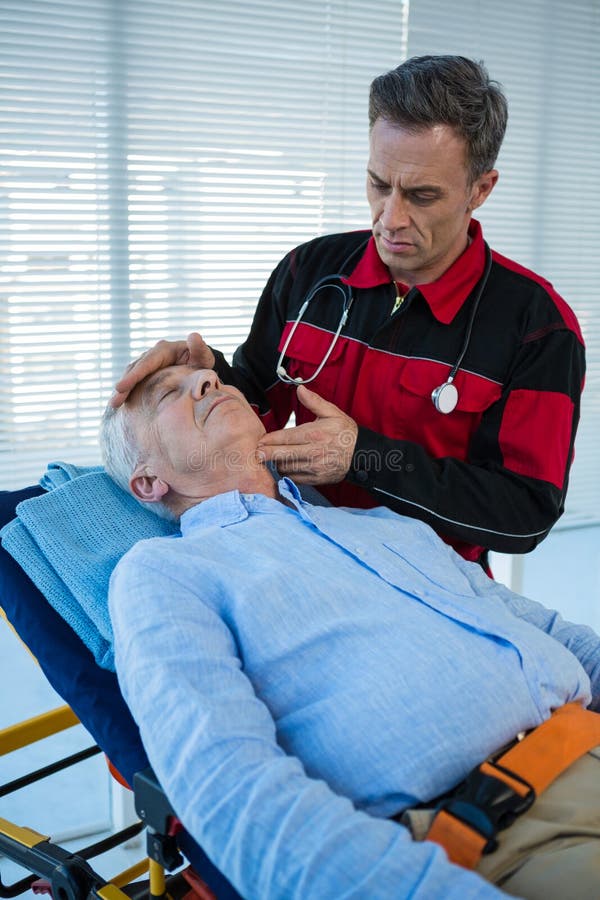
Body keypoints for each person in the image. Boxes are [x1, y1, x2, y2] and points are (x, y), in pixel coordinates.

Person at [102, 365, 600, 900]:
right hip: (504, 839)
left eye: (212, 378)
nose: (208, 380)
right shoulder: (161, 573)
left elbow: (555, 635)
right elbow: (236, 794)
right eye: (166, 396)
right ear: (149, 481)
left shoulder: (387, 525)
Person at [110, 55, 585, 569]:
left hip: (438, 589)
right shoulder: (307, 271)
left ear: (481, 189)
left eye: (422, 196)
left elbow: (525, 513)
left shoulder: (537, 328)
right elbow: (259, 406)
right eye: (379, 184)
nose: (391, 218)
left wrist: (363, 458)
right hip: (304, 555)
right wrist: (209, 376)